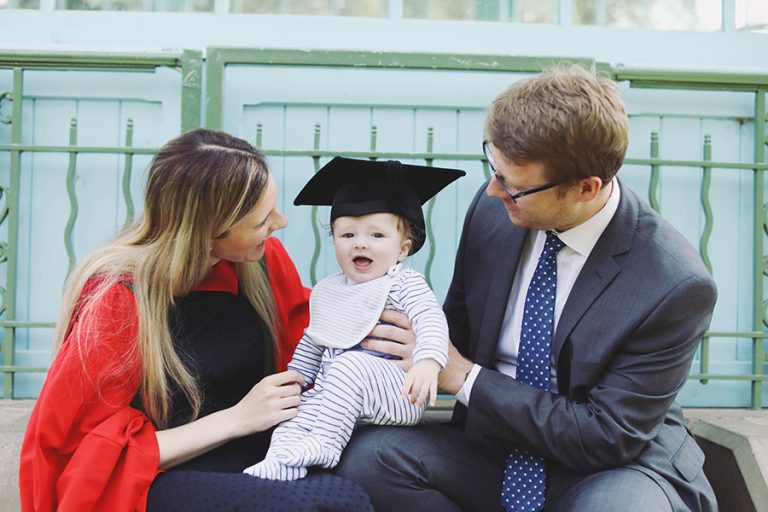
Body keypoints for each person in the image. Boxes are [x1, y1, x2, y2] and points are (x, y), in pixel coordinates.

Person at [336, 65, 719, 512]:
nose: (495, 192)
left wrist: (461, 376)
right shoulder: (493, 209)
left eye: (515, 187)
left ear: (586, 187)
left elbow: (606, 436)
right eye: (494, 169)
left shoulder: (673, 283)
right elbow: (456, 327)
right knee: (371, 461)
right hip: (493, 447)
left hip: (611, 468)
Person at [18, 129, 382, 512]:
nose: (280, 222)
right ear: (208, 229)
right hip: (162, 476)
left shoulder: (261, 264)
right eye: (261, 220)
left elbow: (314, 335)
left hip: (258, 455)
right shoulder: (119, 300)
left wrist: (391, 333)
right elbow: (90, 454)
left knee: (350, 495)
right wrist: (238, 419)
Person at [244, 157, 465, 481]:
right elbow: (314, 339)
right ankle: (279, 461)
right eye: (347, 235)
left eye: (377, 235)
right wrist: (296, 379)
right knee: (298, 408)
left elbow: (432, 321)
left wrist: (428, 363)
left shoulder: (404, 284)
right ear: (334, 241)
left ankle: (324, 447)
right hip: (341, 394)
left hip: (396, 393)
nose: (360, 242)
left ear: (403, 249)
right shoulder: (332, 289)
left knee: (348, 367)